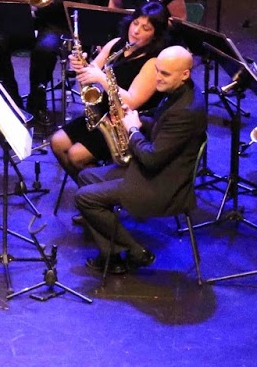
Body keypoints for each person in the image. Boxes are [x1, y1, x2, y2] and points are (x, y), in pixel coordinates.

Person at [73, 46, 205, 274]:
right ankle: (112, 255)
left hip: (164, 185)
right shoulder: (179, 92)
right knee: (86, 177)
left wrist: (133, 130)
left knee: (85, 198)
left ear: (185, 74)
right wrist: (139, 118)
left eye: (165, 74)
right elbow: (164, 130)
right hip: (153, 170)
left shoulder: (186, 111)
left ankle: (134, 250)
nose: (158, 78)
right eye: (157, 71)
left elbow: (152, 158)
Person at [50, 2, 171, 182]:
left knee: (76, 156)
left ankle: (102, 199)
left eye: (146, 28)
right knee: (57, 142)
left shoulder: (153, 62)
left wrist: (101, 78)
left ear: (155, 35)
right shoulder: (117, 44)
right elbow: (89, 75)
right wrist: (79, 67)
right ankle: (90, 195)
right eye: (135, 23)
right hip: (102, 114)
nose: (136, 31)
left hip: (126, 124)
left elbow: (131, 101)